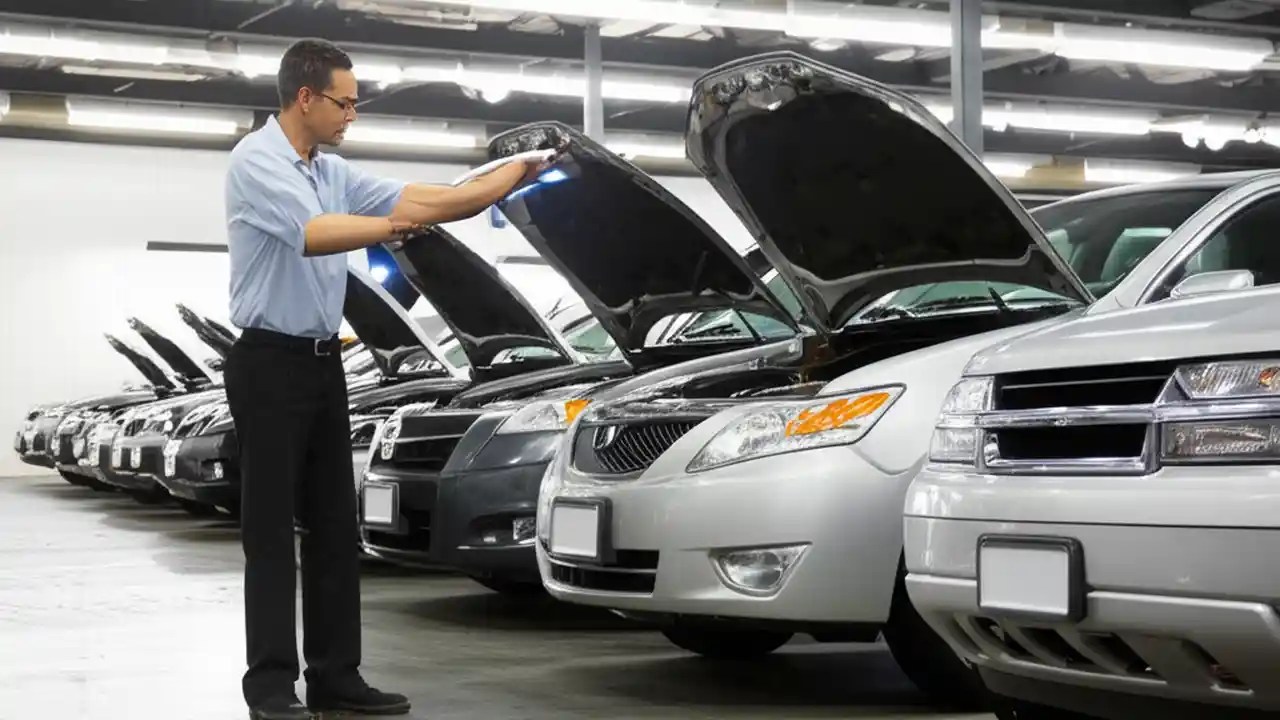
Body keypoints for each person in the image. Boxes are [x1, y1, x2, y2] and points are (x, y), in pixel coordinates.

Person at [223, 38, 550, 720]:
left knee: (334, 531)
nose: (352, 115)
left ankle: (337, 677)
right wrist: (389, 226)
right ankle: (271, 688)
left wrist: (513, 173)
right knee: (270, 533)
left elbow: (435, 200)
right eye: (344, 102)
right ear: (306, 98)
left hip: (320, 363)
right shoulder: (256, 162)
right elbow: (314, 233)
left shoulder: (330, 169)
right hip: (267, 364)